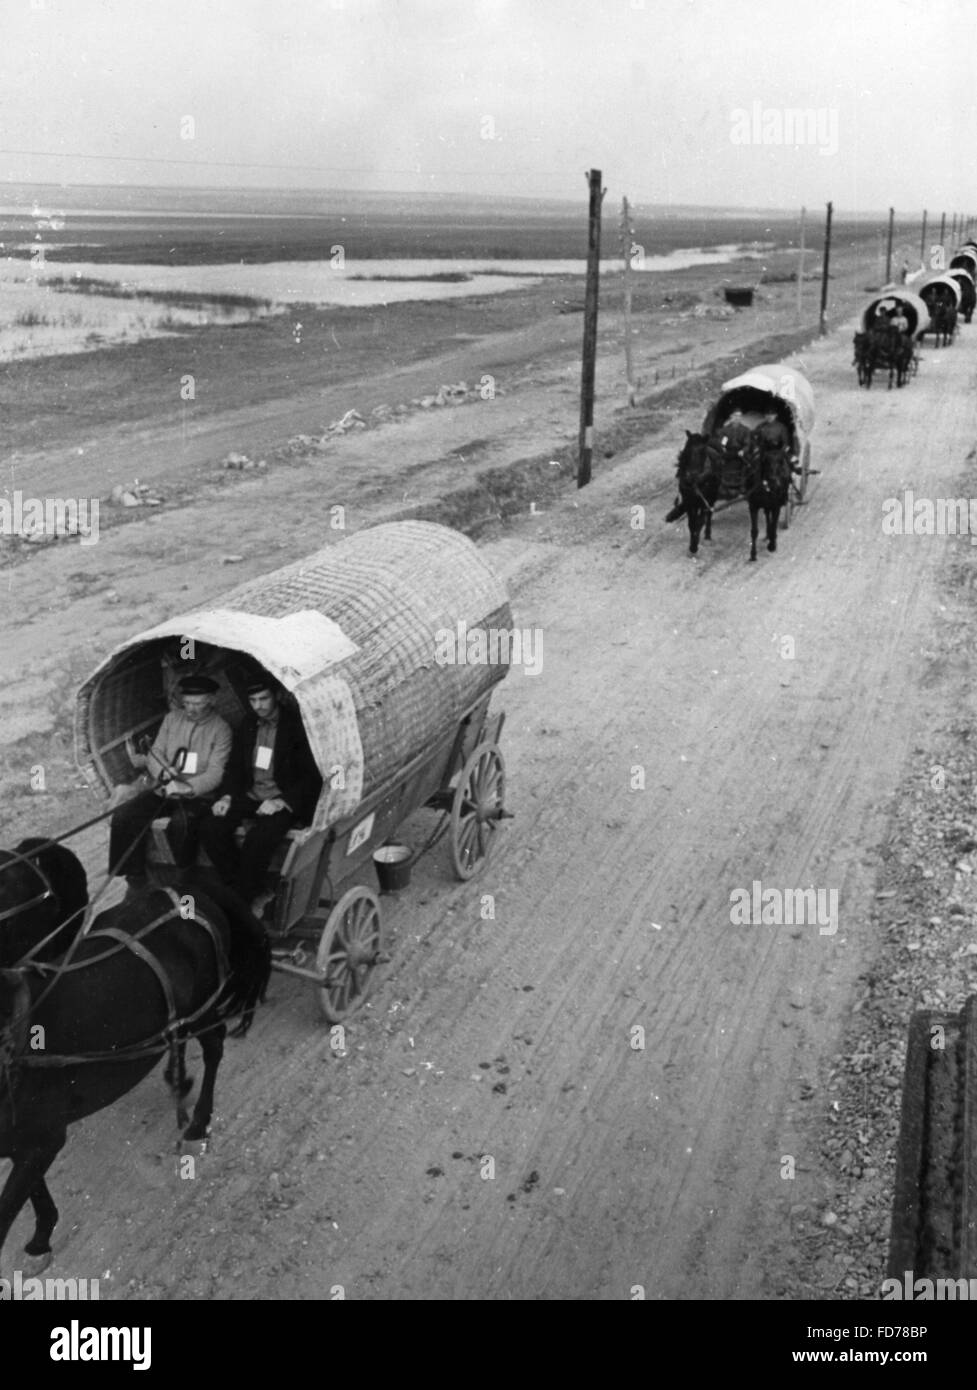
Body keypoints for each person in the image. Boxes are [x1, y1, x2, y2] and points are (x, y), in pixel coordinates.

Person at [198, 677, 323, 909]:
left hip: (282, 800)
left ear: (276, 696)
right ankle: (249, 889)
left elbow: (312, 777)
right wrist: (227, 796)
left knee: (258, 839)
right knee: (210, 827)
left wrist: (281, 802)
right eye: (253, 700)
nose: (258, 705)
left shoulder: (297, 725)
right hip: (253, 796)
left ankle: (240, 902)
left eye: (264, 698)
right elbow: (235, 767)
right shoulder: (248, 724)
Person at [108, 674, 233, 888]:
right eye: (187, 703)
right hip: (164, 789)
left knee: (182, 824)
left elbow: (215, 773)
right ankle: (135, 877)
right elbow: (156, 752)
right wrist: (163, 772)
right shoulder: (172, 719)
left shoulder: (221, 729)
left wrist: (186, 788)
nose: (191, 709)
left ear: (212, 700)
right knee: (125, 814)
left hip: (198, 796)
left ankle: (184, 876)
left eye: (198, 704)